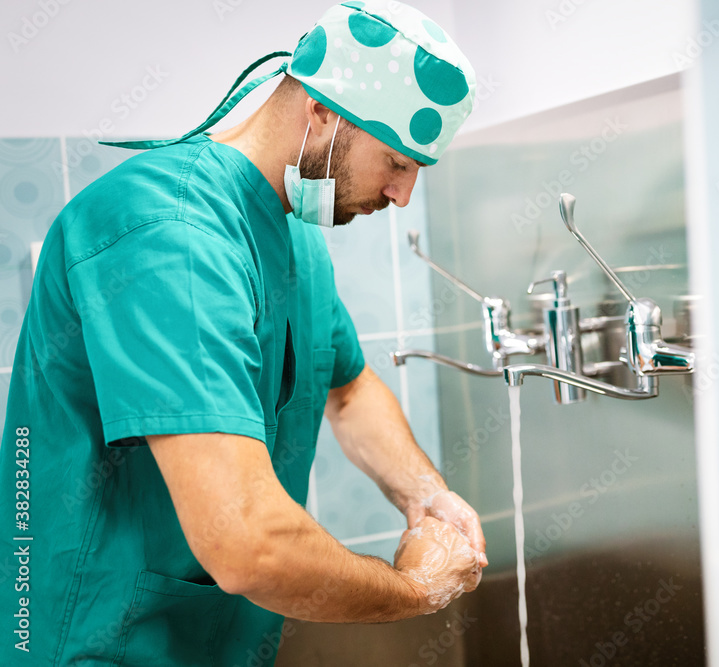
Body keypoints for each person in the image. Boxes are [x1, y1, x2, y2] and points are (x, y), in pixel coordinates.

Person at [0, 2, 486, 664]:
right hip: (102, 641)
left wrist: (427, 497)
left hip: (214, 641)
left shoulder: (295, 239)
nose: (402, 195)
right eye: (397, 162)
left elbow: (347, 389)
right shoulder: (167, 234)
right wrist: (414, 588)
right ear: (324, 113)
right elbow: (246, 544)